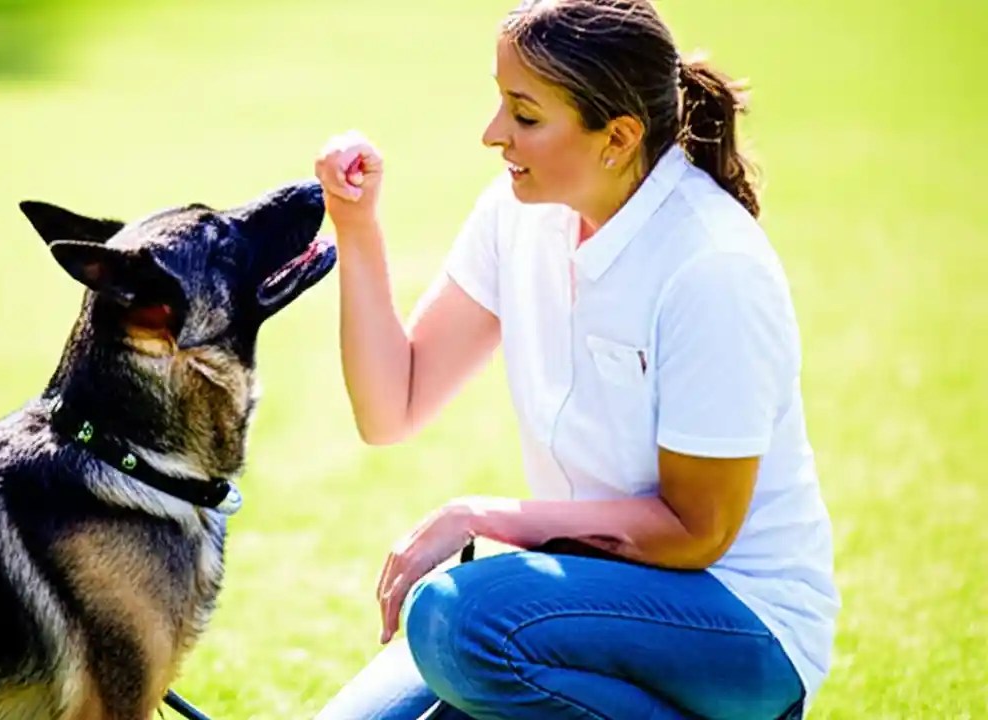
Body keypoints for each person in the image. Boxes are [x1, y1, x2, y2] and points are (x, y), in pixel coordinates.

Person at [309, 1, 840, 718]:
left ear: (617, 138)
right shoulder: (515, 212)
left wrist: (479, 515)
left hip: (742, 624)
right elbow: (390, 406)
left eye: (524, 115)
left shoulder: (713, 266)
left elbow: (697, 531)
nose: (494, 134)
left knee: (454, 620)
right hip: (589, 603)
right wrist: (356, 224)